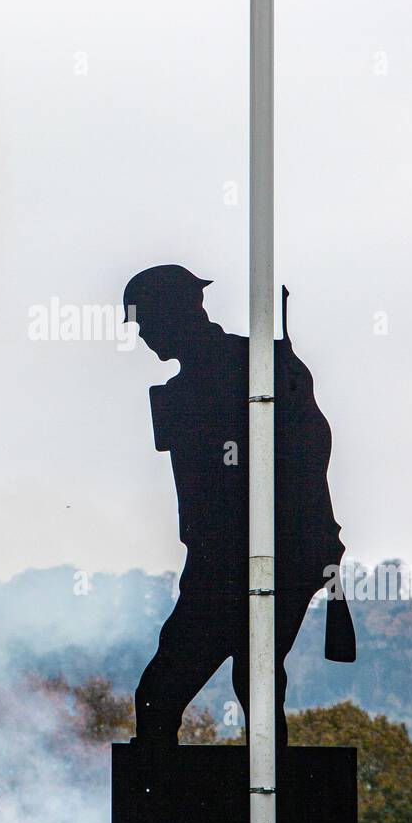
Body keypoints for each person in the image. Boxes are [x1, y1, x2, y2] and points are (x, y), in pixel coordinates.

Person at [124, 264, 353, 747]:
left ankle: (242, 807)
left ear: (175, 314)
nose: (143, 335)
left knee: (210, 687)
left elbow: (311, 450)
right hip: (221, 562)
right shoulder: (203, 383)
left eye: (146, 322)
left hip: (261, 560)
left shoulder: (260, 366)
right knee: (249, 682)